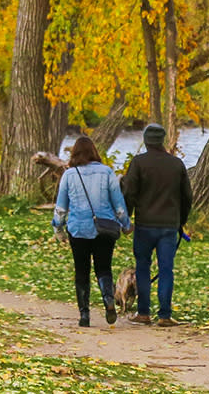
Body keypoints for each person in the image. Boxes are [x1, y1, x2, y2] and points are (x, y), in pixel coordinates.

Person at [52, 136, 131, 327]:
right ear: (94, 152)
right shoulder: (107, 173)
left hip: (78, 229)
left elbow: (61, 206)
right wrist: (126, 224)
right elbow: (118, 204)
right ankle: (108, 299)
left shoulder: (70, 175)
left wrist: (58, 227)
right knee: (104, 268)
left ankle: (84, 315)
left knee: (82, 271)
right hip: (105, 228)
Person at [120, 123, 192, 327]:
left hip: (144, 224)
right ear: (162, 140)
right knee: (166, 269)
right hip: (169, 225)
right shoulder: (176, 164)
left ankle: (143, 312)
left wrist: (127, 218)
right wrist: (181, 220)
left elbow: (129, 193)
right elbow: (187, 196)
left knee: (143, 267)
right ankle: (165, 314)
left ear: (145, 140)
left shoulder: (139, 163)